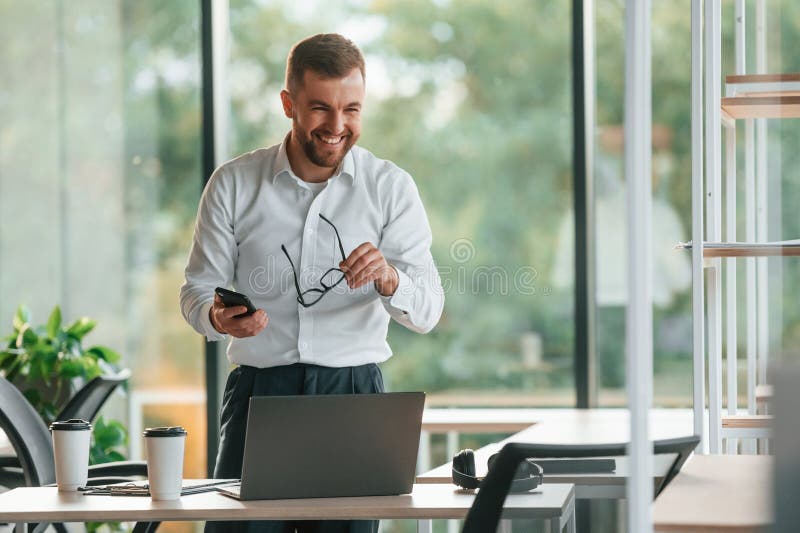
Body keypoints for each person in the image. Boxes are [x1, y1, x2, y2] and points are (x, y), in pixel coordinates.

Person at [180, 33, 444, 533]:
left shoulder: (390, 188)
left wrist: (389, 279)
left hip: (354, 397)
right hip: (260, 396)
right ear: (289, 104)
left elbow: (429, 310)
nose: (337, 126)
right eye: (321, 108)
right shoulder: (233, 183)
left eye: (352, 109)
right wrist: (217, 317)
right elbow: (196, 290)